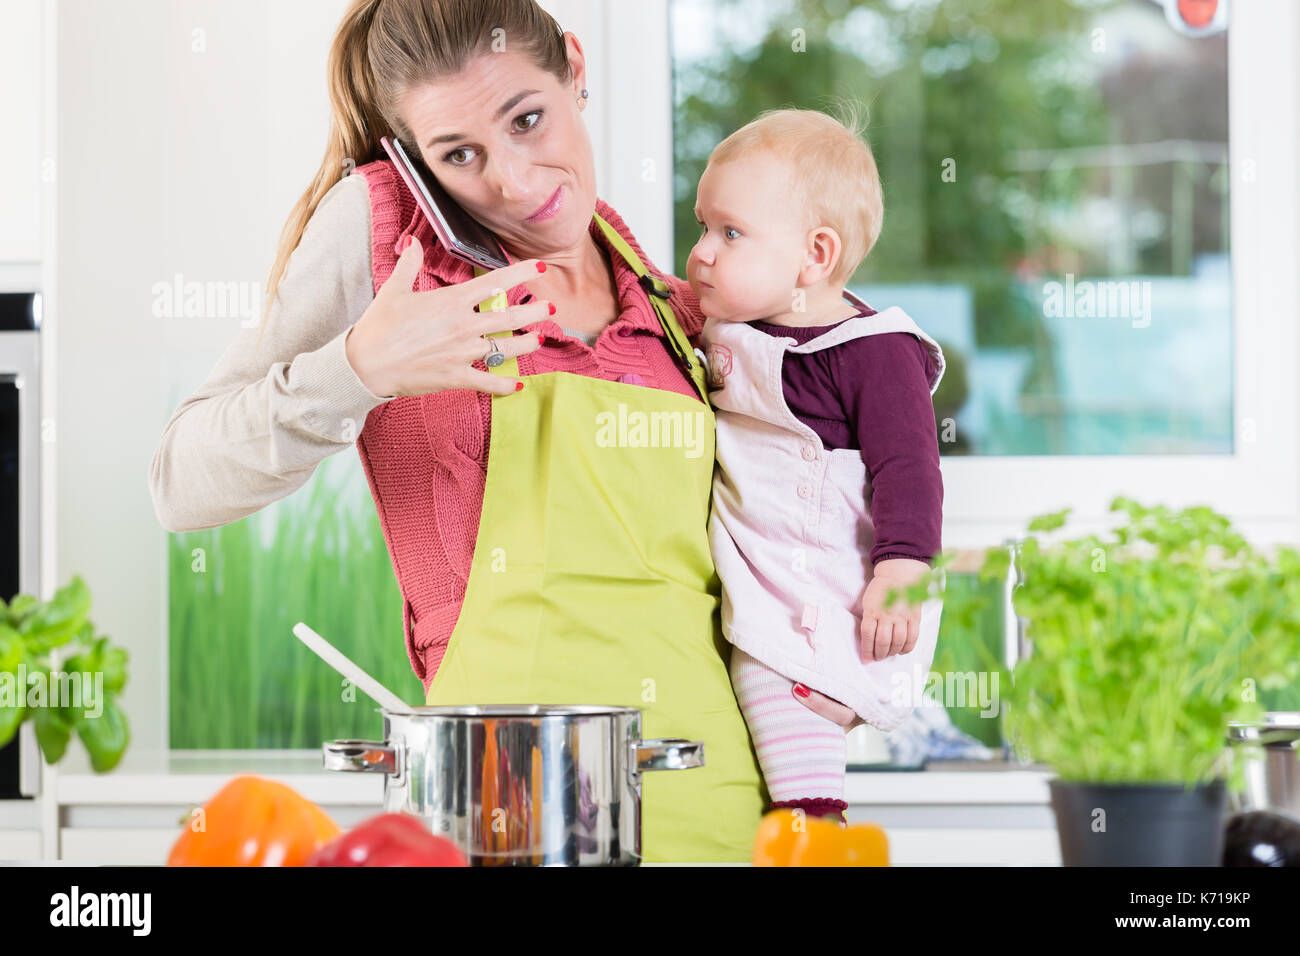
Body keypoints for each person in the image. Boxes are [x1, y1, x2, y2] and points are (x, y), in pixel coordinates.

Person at [148, 0, 786, 864]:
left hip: (714, 798)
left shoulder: (678, 313)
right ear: (416, 156)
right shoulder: (389, 240)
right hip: (496, 807)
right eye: (460, 155)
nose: (516, 182)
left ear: (574, 66)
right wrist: (362, 367)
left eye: (528, 119)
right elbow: (180, 483)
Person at [688, 108, 947, 826]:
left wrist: (902, 569)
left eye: (730, 233)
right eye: (702, 227)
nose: (702, 252)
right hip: (754, 566)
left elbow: (911, 467)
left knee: (787, 705)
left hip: (825, 587)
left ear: (815, 256)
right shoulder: (721, 323)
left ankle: (817, 830)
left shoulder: (876, 350)